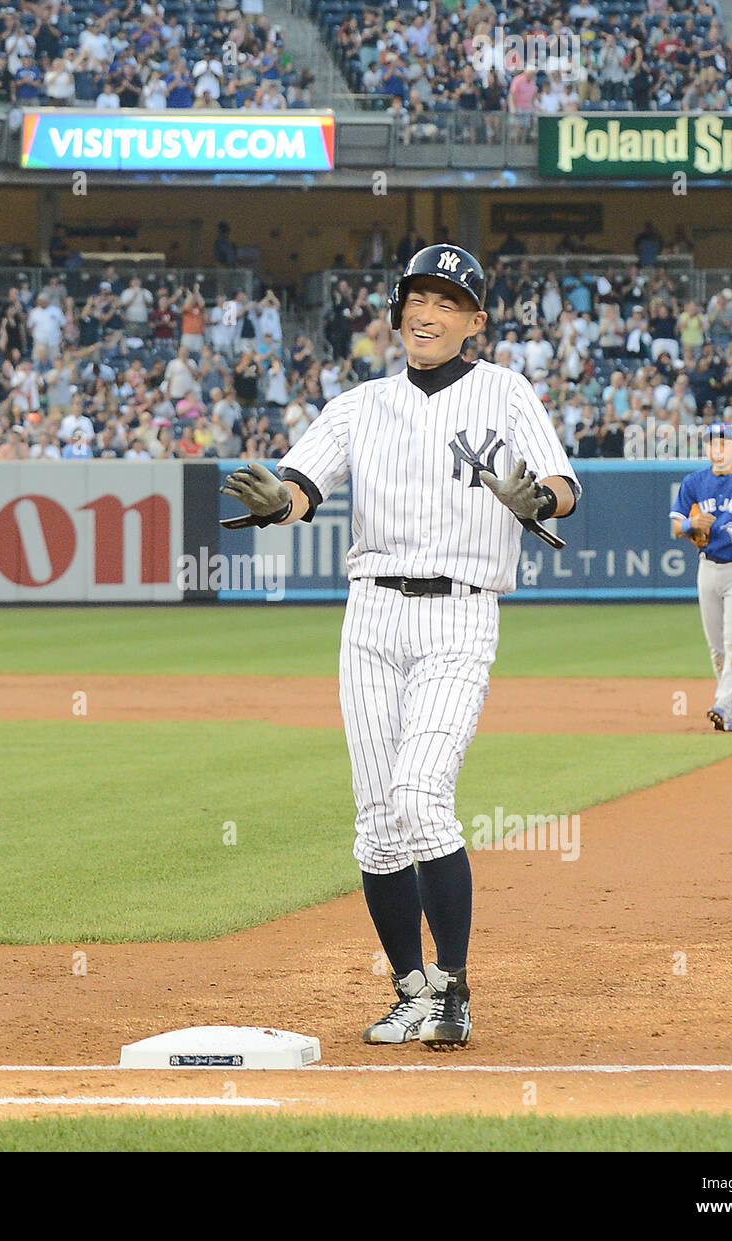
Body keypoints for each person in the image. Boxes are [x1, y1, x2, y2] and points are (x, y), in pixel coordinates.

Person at [218, 244, 579, 1050]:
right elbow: (301, 487)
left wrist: (537, 497)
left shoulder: (506, 392)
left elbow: (564, 485)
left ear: (475, 320)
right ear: (396, 311)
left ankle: (453, 986)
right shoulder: (358, 406)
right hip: (371, 618)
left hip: (459, 612)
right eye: (417, 296)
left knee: (421, 797)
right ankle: (410, 988)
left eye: (448, 300)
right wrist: (283, 500)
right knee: (378, 824)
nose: (427, 311)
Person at [669, 424, 732, 732]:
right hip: (708, 568)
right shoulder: (694, 482)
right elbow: (675, 527)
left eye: (725, 441)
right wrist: (691, 524)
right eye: (713, 441)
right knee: (718, 649)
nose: (719, 447)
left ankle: (721, 704)